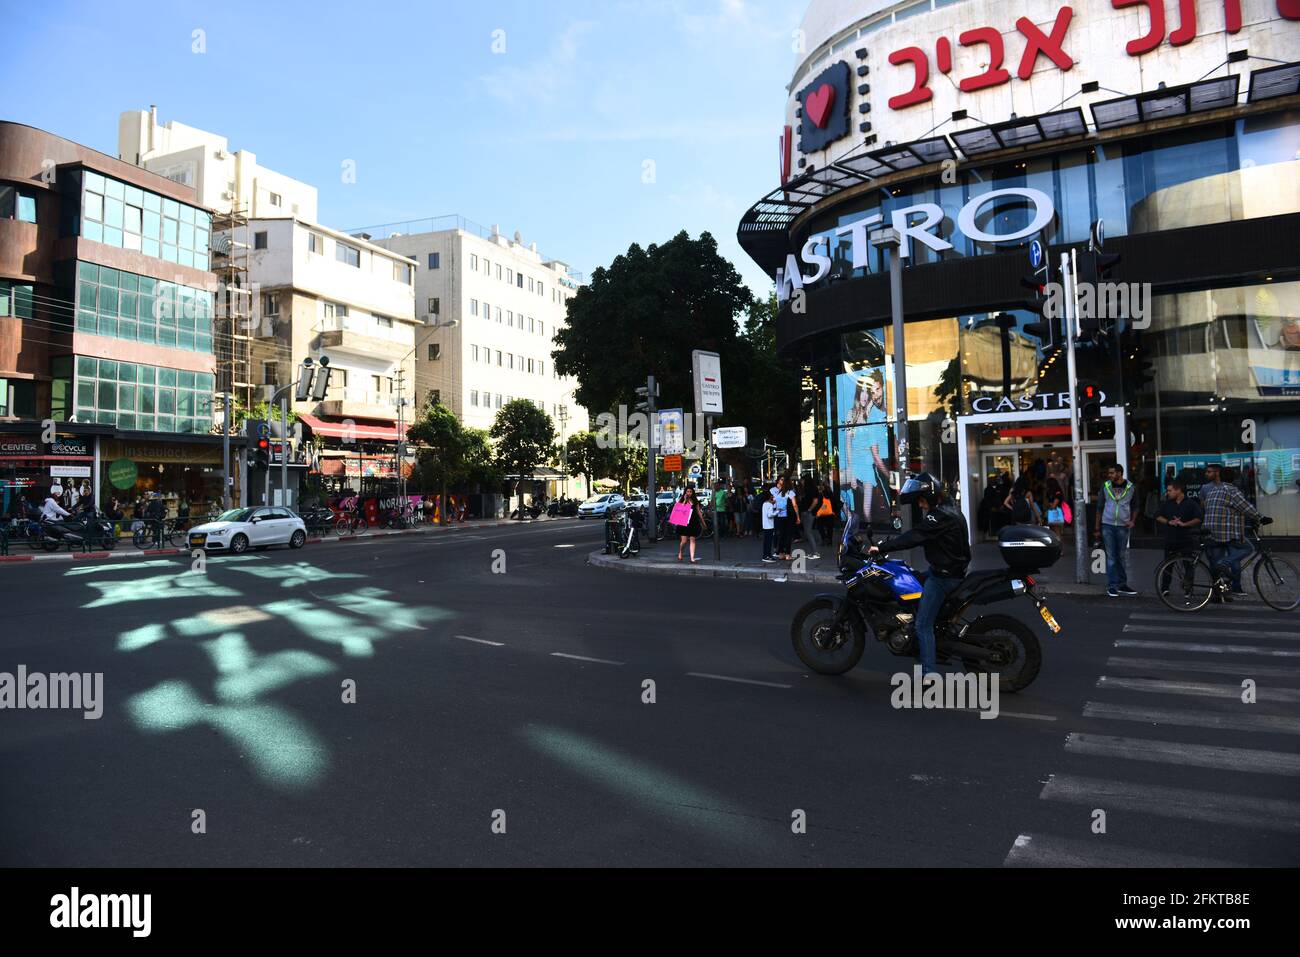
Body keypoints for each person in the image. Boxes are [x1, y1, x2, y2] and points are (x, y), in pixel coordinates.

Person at [868, 474, 971, 676]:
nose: (921, 506)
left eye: (922, 501)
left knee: (923, 625)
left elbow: (915, 536)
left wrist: (881, 548)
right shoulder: (949, 509)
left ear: (930, 497)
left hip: (944, 578)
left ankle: (929, 675)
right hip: (945, 571)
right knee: (910, 579)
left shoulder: (940, 517)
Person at [1200, 462, 1267, 600]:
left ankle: (1219, 595)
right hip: (1224, 532)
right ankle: (1226, 569)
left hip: (1210, 532)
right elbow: (1246, 508)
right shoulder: (1232, 490)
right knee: (1248, 548)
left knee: (1217, 566)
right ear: (1234, 479)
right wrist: (1261, 518)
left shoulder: (1213, 490)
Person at [1095, 463, 1137, 598]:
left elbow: (1136, 506)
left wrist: (1133, 521)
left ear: (1120, 473)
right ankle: (1112, 586)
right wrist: (1097, 527)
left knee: (1121, 556)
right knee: (1112, 557)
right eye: (1109, 473)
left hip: (1123, 526)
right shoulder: (1106, 486)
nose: (1110, 475)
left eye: (1112, 473)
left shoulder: (1131, 487)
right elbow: (1099, 507)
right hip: (1107, 524)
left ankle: (1122, 584)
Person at [1156, 479, 1203, 597]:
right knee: (1167, 565)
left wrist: (1185, 524)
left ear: (1178, 490)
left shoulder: (1191, 503)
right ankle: (1165, 588)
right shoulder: (1167, 503)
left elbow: (1199, 518)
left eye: (1170, 491)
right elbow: (1157, 516)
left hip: (1186, 538)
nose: (1167, 493)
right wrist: (1169, 522)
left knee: (1188, 565)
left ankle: (1188, 589)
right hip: (1170, 538)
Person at [676, 483, 705, 563]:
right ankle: (680, 552)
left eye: (690, 492)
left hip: (693, 522)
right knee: (684, 541)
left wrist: (703, 522)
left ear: (693, 493)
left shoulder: (695, 501)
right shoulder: (682, 500)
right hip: (684, 522)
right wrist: (685, 500)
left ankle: (692, 558)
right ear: (685, 492)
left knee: (692, 539)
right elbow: (680, 510)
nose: (689, 493)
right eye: (687, 491)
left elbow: (698, 512)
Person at [815, 482, 836, 547]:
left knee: (820, 527)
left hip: (822, 515)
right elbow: (834, 503)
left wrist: (818, 511)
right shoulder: (831, 494)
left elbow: (819, 504)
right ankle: (830, 540)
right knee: (830, 528)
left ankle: (824, 538)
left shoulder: (821, 494)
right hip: (830, 514)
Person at [760, 489, 777, 563]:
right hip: (770, 525)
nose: (772, 496)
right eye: (771, 495)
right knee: (769, 542)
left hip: (765, 525)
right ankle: (767, 556)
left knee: (766, 542)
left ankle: (766, 555)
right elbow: (770, 515)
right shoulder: (769, 504)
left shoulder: (764, 504)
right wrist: (777, 511)